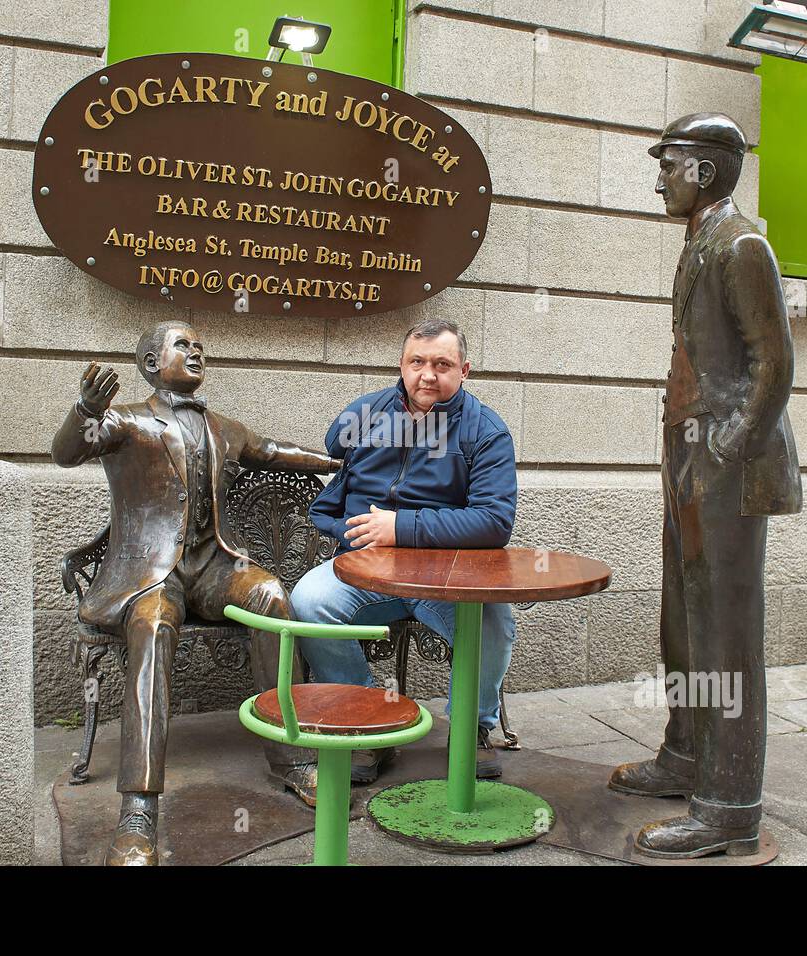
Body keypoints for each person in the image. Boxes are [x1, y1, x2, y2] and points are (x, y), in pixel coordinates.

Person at [51, 319, 342, 865]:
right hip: (149, 575)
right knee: (153, 625)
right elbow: (66, 453)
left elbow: (273, 451)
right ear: (151, 363)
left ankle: (292, 759)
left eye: (200, 346)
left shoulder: (223, 427)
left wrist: (337, 463)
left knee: (272, 598)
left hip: (213, 568)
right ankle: (138, 811)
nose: (196, 353)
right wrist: (85, 411)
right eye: (182, 345)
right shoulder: (127, 421)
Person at [608, 113, 802, 858]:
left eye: (671, 164)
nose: (660, 178)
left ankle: (728, 806)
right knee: (683, 618)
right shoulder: (701, 240)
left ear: (707, 171)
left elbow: (773, 363)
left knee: (724, 631)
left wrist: (726, 446)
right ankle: (687, 755)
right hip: (688, 452)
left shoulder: (741, 244)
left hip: (725, 461)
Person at [289, 317, 519, 798]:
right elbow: (334, 444)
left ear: (464, 370)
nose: (427, 375)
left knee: (494, 619)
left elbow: (495, 521)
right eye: (417, 362)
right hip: (367, 568)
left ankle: (473, 727)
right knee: (308, 601)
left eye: (442, 364)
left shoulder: (486, 431)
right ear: (401, 365)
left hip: (446, 577)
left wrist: (401, 527)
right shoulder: (372, 412)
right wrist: (370, 410)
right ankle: (371, 720)